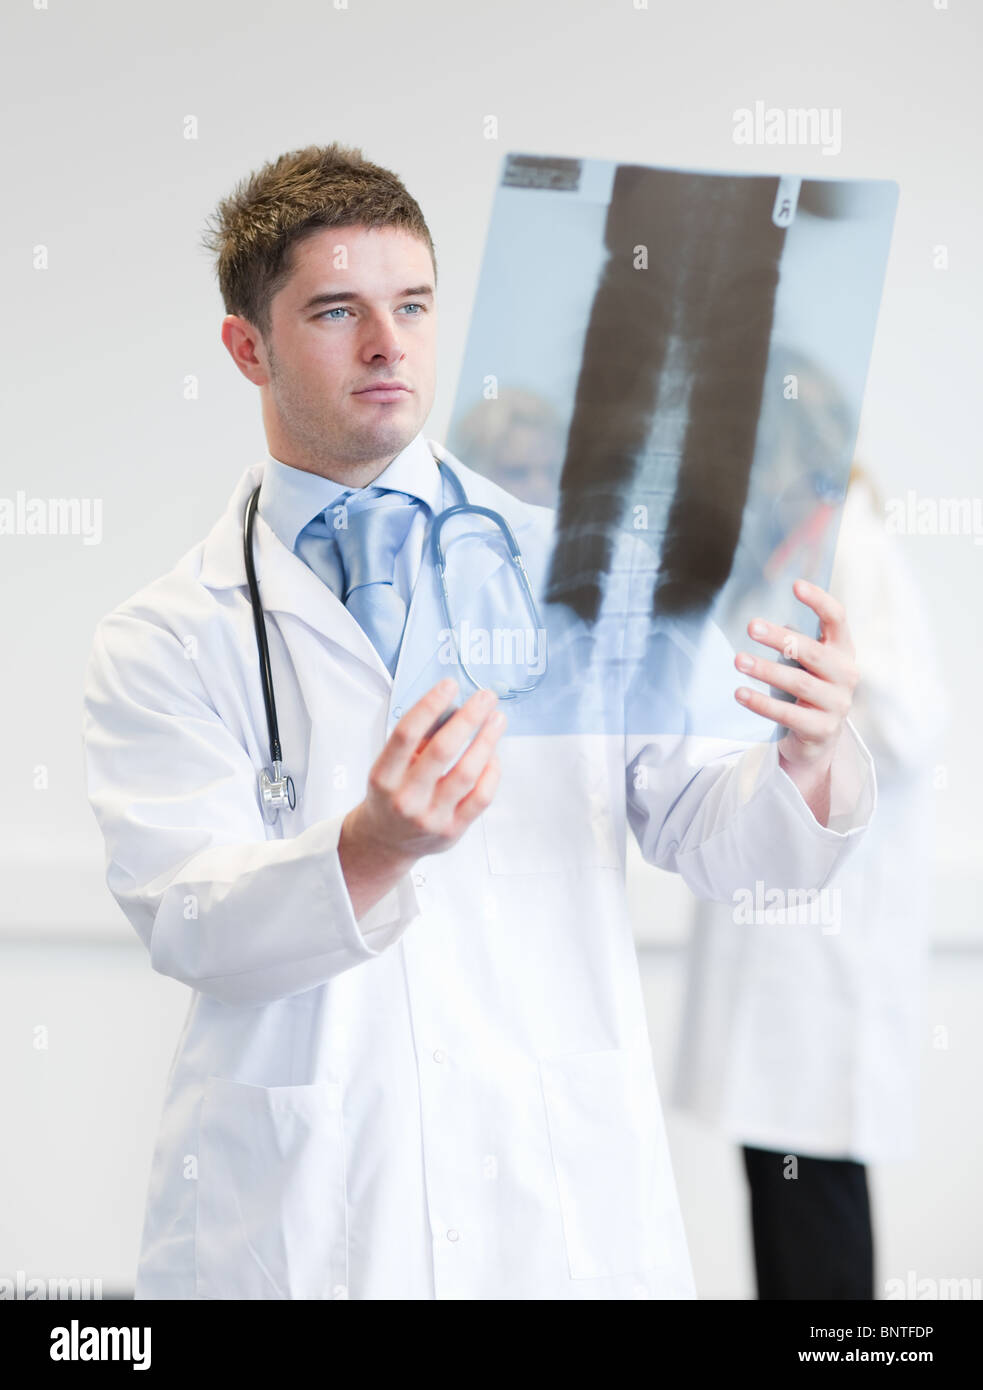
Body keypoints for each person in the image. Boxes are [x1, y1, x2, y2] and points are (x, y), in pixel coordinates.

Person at [81, 143, 877, 1301]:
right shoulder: (162, 634)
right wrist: (368, 851)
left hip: (552, 1209)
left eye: (410, 305)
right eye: (337, 311)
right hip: (308, 1214)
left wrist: (803, 755)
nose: (386, 345)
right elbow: (187, 917)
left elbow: (723, 837)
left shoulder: (587, 566)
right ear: (246, 346)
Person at [671, 463, 946, 1299]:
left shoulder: (851, 550)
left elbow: (906, 726)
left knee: (813, 1217)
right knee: (780, 1199)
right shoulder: (780, 556)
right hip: (772, 958)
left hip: (823, 963)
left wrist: (817, 717)